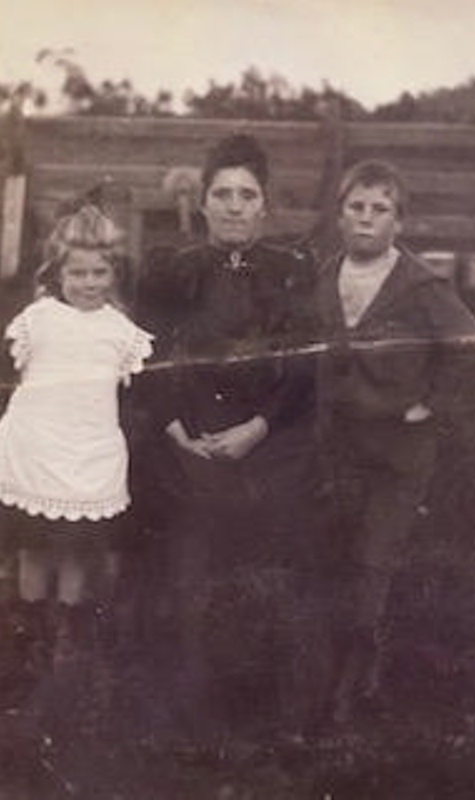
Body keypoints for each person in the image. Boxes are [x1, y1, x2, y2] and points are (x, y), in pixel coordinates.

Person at [139, 133, 328, 742]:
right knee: (192, 589)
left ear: (264, 206)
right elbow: (145, 360)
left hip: (272, 452)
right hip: (190, 454)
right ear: (203, 204)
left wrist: (256, 429)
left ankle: (277, 724)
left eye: (247, 195)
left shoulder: (295, 273)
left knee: (274, 585)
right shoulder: (170, 271)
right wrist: (177, 433)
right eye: (222, 194)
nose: (233, 205)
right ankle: (197, 727)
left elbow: (307, 370)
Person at [314, 159, 475, 722]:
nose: (366, 220)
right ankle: (323, 663)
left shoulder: (418, 284)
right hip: (338, 444)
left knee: (375, 557)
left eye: (379, 209)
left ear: (399, 222)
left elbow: (473, 347)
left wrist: (429, 403)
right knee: (331, 551)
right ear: (339, 216)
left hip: (398, 448)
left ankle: (358, 679)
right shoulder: (323, 276)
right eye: (356, 208)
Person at [0, 204, 153, 689]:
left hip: (87, 453)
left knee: (75, 553)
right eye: (78, 272)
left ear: (114, 273)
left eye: (100, 272)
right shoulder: (38, 319)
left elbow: (126, 394)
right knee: (34, 552)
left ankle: (65, 641)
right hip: (36, 450)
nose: (89, 283)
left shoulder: (122, 331)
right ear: (58, 272)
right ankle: (28, 640)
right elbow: (7, 375)